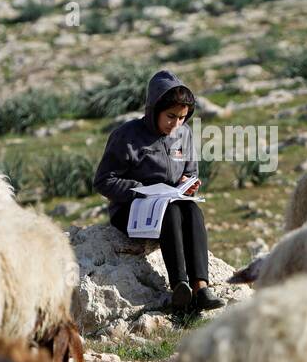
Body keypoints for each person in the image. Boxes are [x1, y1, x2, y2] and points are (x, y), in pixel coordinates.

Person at [94, 70, 225, 312]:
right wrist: (142, 191)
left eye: (183, 118)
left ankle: (201, 287)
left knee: (192, 210)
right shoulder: (126, 136)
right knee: (172, 211)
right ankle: (179, 286)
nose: (176, 124)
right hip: (131, 211)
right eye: (170, 116)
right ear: (154, 109)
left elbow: (191, 171)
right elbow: (103, 181)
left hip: (171, 202)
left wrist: (189, 183)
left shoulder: (183, 134)